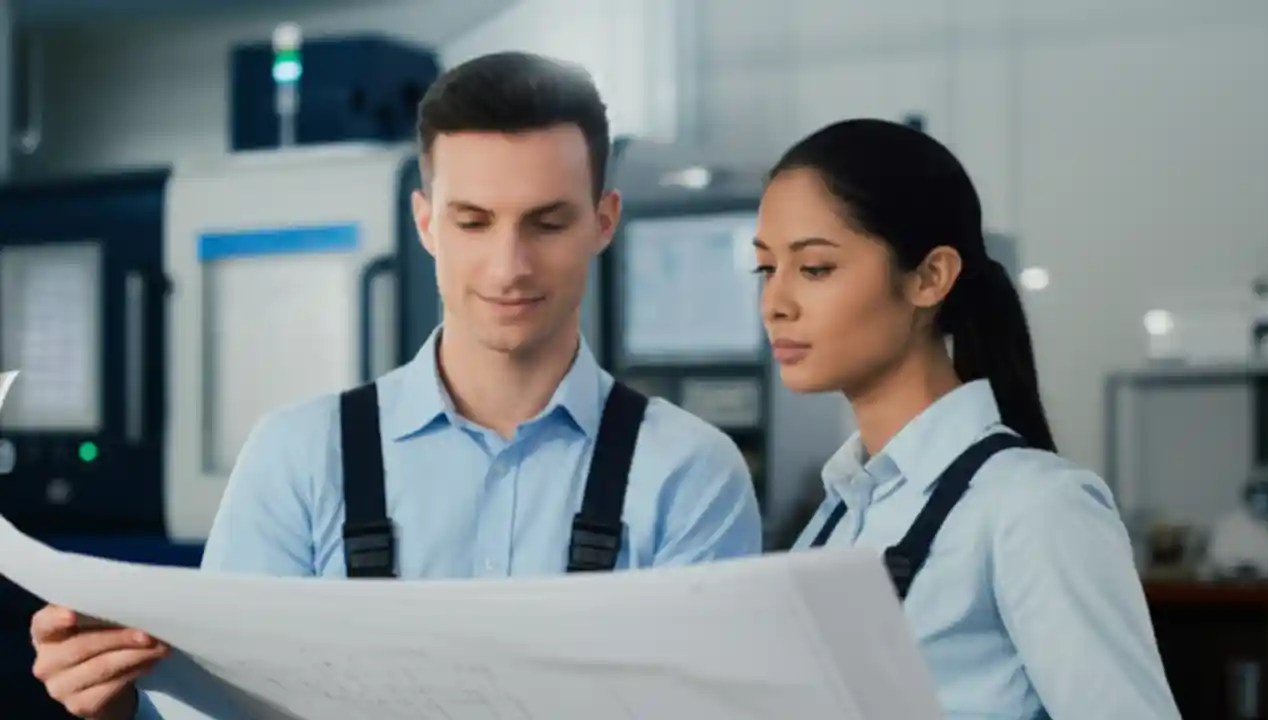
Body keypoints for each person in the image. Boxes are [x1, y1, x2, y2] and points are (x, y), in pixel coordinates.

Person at [31, 51, 762, 720]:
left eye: (546, 223)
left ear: (603, 222)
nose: (508, 267)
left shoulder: (689, 475)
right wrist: (117, 703)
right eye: (473, 222)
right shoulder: (298, 459)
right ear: (425, 223)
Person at [753, 118, 1180, 719]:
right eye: (765, 269)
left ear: (930, 277)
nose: (774, 303)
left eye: (815, 268)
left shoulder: (1033, 507)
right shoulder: (839, 513)